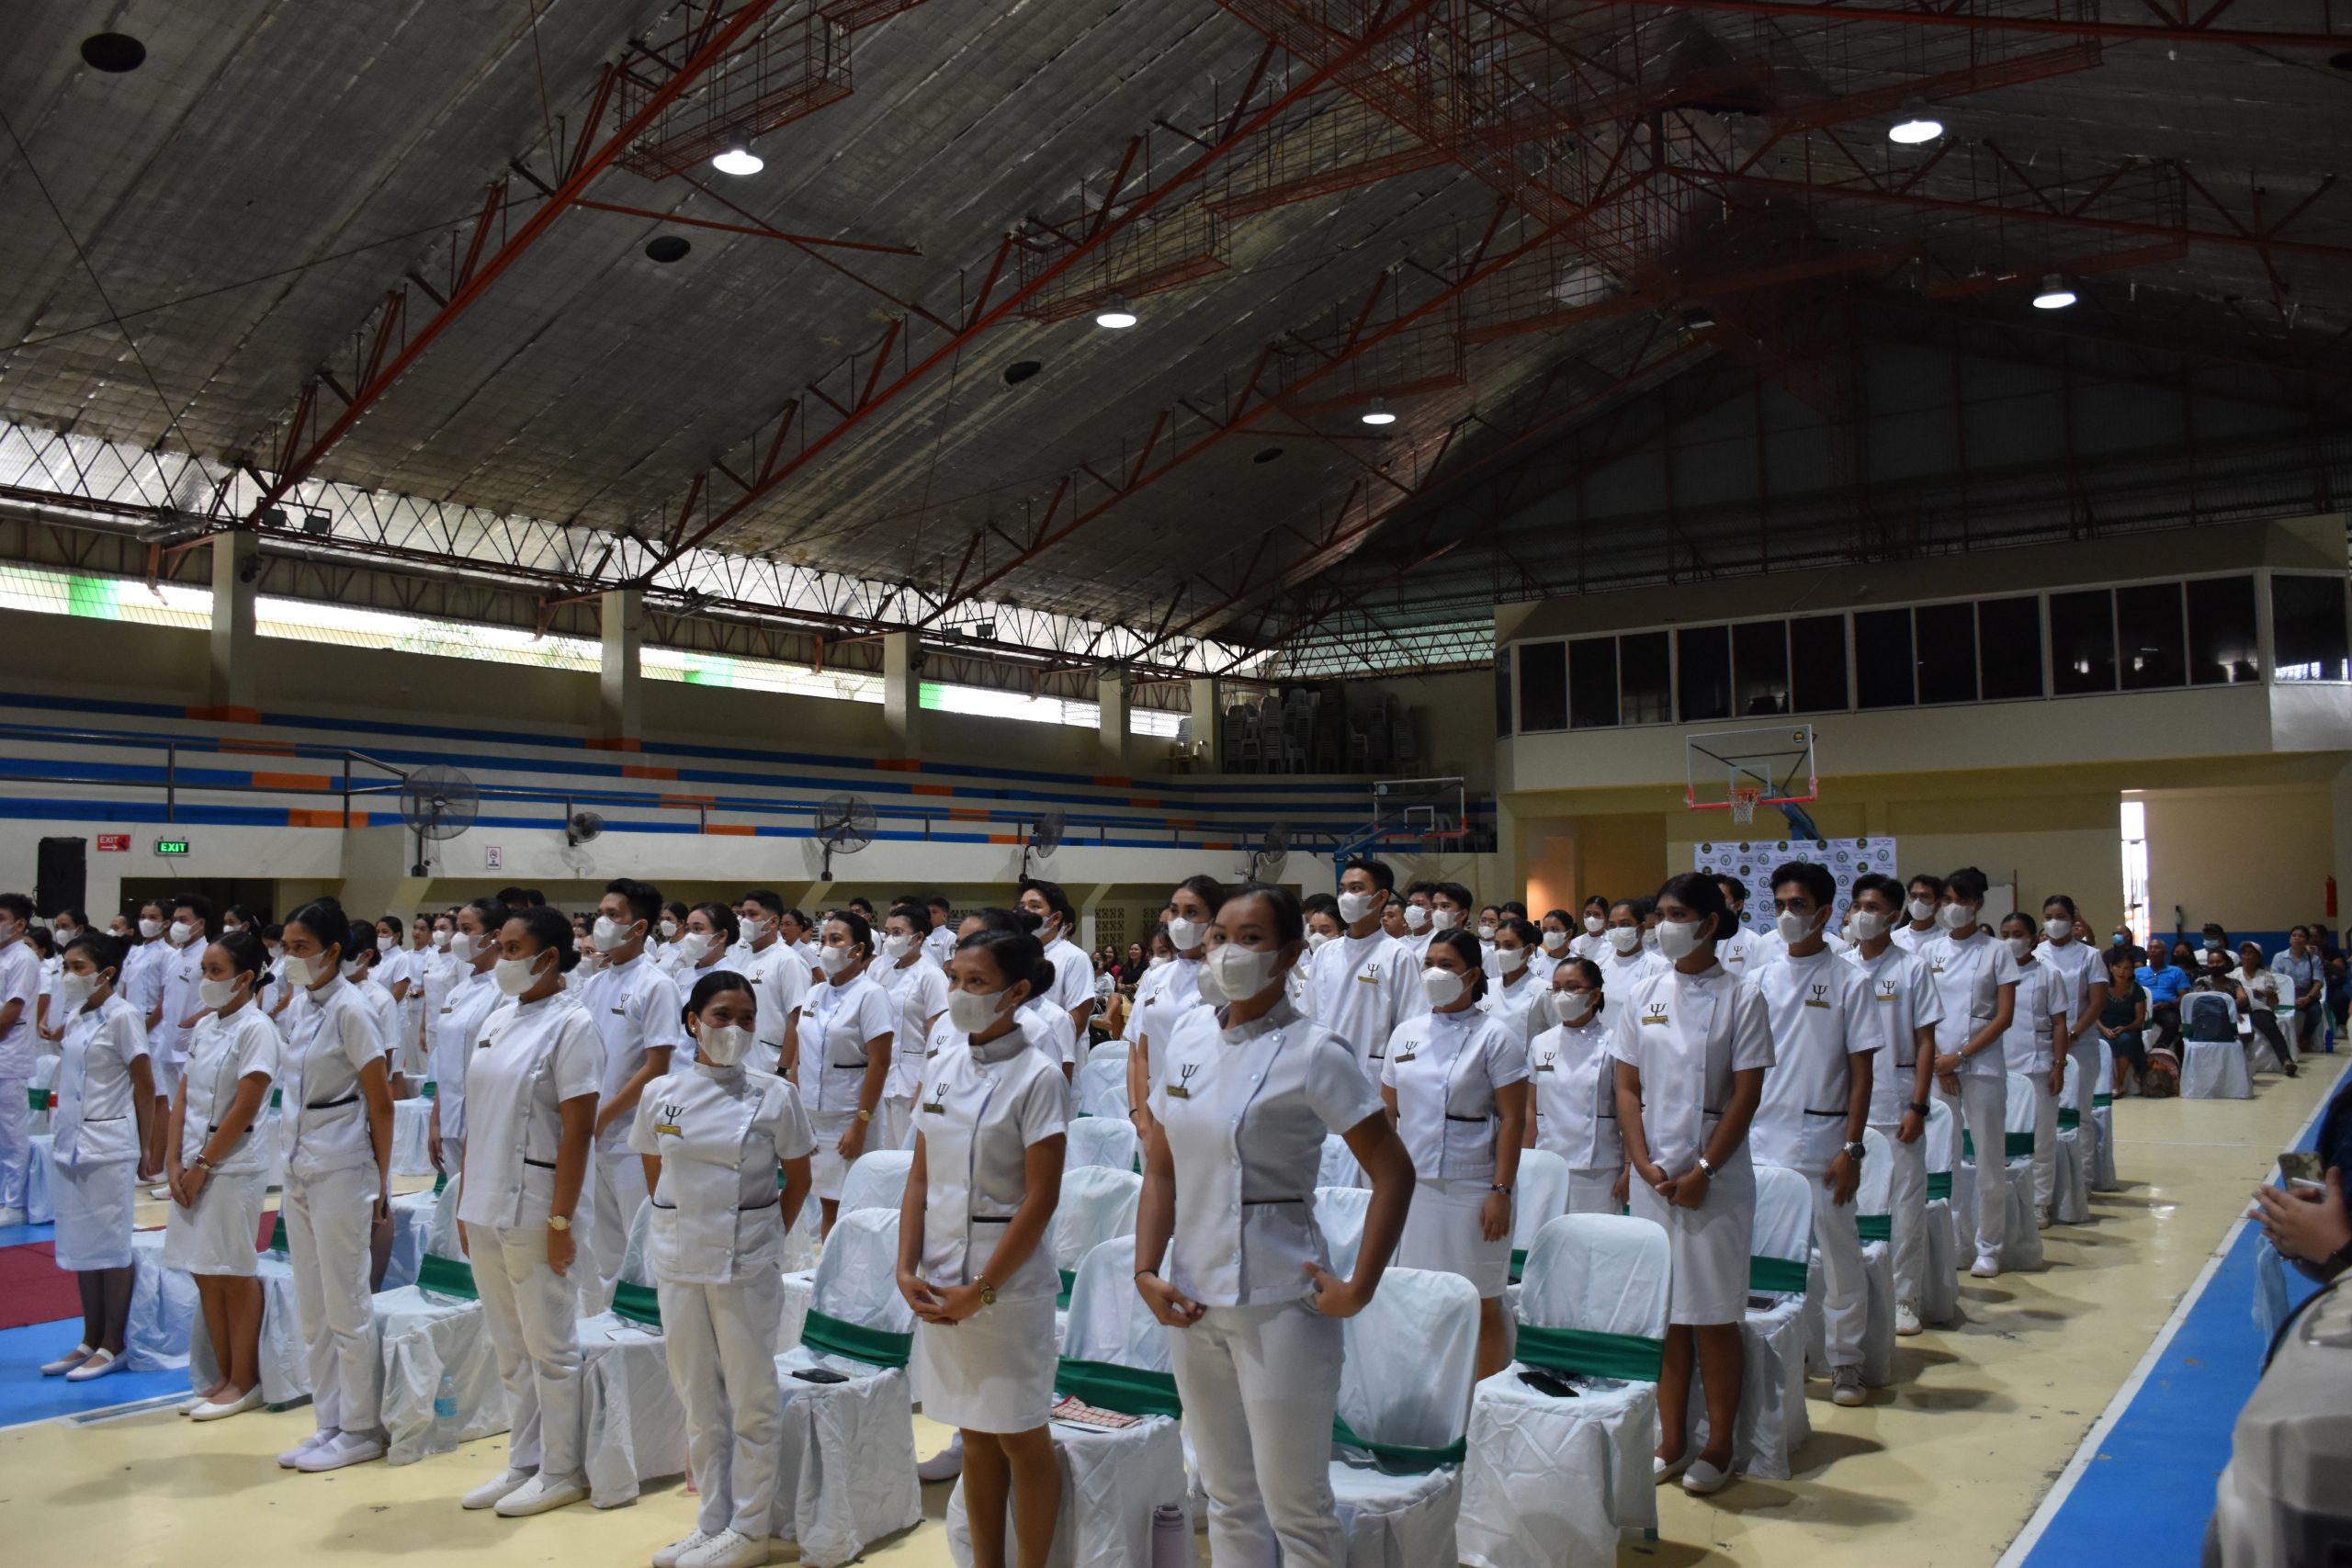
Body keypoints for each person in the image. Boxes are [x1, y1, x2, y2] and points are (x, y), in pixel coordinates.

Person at [1136, 882, 1414, 1566]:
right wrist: (1145, 1269)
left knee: (1297, 1507)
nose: (1228, 951)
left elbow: (1393, 1172)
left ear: (1290, 954)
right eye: (1220, 937)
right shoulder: (1191, 1034)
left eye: (1251, 938)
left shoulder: (1315, 1050)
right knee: (1227, 1497)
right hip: (1192, 1297)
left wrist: (1360, 1286)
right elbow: (1162, 1168)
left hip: (1282, 1299)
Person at [634, 971, 816, 1568]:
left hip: (745, 1263)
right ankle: (712, 1519)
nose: (734, 1028)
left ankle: (751, 1527)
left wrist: (761, 1237)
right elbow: (654, 1167)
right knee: (697, 1396)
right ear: (693, 1022)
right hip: (679, 1258)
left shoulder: (775, 1094)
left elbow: (799, 1179)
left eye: (746, 1018)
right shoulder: (661, 1092)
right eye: (721, 1016)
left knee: (750, 1396)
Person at [899, 927, 1069, 1568]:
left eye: (977, 982)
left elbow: (1041, 1198)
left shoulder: (1039, 1076)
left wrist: (985, 1289)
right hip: (941, 1277)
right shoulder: (942, 1065)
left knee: (1022, 1437)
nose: (959, 993)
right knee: (973, 1436)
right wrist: (905, 1267)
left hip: (1007, 1287)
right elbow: (920, 1178)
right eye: (955, 979)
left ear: (1017, 991)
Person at [1611, 873, 1772, 1496]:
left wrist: (1705, 1170)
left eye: (1678, 915)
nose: (1663, 926)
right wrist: (1640, 1160)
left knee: (1712, 1315)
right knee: (1667, 1316)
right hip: (1653, 1172)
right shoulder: (1644, 992)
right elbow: (1627, 1086)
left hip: (1715, 1178)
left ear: (1709, 923)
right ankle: (1671, 1438)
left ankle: (1720, 1443)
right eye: (1660, 915)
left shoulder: (1742, 995)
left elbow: (1746, 1094)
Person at [456, 906, 601, 1518]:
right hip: (485, 1198)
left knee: (550, 1345)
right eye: (501, 945)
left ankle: (562, 1469)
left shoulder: (574, 1024)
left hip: (538, 1201)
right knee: (509, 1345)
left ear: (549, 957)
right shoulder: (497, 1017)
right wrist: (464, 1200)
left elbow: (579, 1130)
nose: (501, 957)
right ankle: (524, 1460)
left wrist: (561, 1221)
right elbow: (477, 1113)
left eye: (514, 949)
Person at [274, 897, 396, 1472]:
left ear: (333, 952)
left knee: (347, 1301)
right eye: (286, 947)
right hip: (298, 1165)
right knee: (313, 1303)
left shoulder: (354, 1009)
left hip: (343, 1168)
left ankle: (362, 1426)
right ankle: (329, 1420)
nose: (290, 957)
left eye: (301, 948)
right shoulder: (299, 1007)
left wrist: (383, 1181)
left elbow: (381, 1101)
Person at [1748, 861, 1876, 1405]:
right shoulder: (1760, 978)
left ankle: (1846, 1359)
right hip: (1761, 1138)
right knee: (1772, 1256)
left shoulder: (1851, 980)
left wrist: (1852, 1147)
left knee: (1839, 1253)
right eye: (1779, 905)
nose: (1786, 915)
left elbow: (1862, 1071)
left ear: (1824, 912)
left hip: (1825, 1140)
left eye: (1797, 905)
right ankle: (1788, 1350)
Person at [1383, 926, 1527, 1379]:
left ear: (1472, 975)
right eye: (1429, 964)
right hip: (1414, 1187)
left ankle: (1482, 1400)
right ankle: (1429, 1395)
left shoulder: (1496, 1037)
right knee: (1419, 1296)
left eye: (1446, 965)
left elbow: (1513, 1121)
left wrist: (1500, 1190)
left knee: (1478, 1298)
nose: (1434, 973)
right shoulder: (1405, 1034)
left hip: (1474, 1186)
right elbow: (1388, 1114)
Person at [164, 928, 278, 1419]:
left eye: (217, 971)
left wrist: (203, 1164)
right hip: (192, 1161)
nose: (206, 980)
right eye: (204, 971)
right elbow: (184, 1095)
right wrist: (173, 1161)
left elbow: (245, 1107)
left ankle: (244, 1380)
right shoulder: (207, 1026)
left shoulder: (257, 1029)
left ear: (245, 978)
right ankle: (222, 1374)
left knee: (232, 1271)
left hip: (232, 1166)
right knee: (203, 1270)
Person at [40, 931, 155, 1383]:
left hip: (109, 1146)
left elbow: (145, 1084)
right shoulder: (76, 1016)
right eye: (66, 967)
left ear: (106, 973)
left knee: (110, 1246)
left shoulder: (124, 1016)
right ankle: (89, 1338)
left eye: (79, 968)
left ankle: (114, 1342)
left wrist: (149, 1147)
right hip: (71, 1143)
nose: (69, 975)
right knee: (81, 1246)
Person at [577, 879, 686, 1314]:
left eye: (613, 915)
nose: (601, 922)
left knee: (641, 1236)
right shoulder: (593, 984)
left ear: (639, 927)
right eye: (600, 913)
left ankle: (654, 1324)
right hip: (592, 1131)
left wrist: (604, 1115)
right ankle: (608, 1321)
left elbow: (656, 1066)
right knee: (602, 1241)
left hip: (632, 1136)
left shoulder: (657, 985)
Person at [1841, 873, 1941, 1336]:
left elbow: (1926, 1042)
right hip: (1848, 1109)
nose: (1863, 915)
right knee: (1851, 1205)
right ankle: (1853, 1294)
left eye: (1874, 908)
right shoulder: (1840, 968)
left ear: (1894, 916)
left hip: (1897, 1103)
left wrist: (1918, 1106)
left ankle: (1905, 1296)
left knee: (1905, 1204)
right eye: (1858, 906)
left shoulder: (1912, 968)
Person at [1924, 869, 2019, 1279]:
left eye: (1961, 900)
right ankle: (1956, 1241)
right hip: (1938, 1066)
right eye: (1946, 900)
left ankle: (1990, 1246)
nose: (1952, 908)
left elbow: (2004, 1016)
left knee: (1988, 1159)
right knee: (1945, 1160)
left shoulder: (1997, 952)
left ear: (1978, 904)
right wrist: (1940, 1062)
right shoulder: (1930, 951)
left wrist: (1960, 1057)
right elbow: (1923, 1013)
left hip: (1982, 1066)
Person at [800, 910, 896, 1237]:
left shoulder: (871, 995)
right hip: (813, 1118)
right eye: (824, 939)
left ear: (858, 949)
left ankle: (854, 1267)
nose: (826, 947)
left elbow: (880, 1062)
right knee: (826, 1204)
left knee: (852, 1207)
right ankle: (828, 1265)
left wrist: (860, 1124)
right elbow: (803, 1054)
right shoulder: (815, 994)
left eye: (836, 940)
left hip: (850, 1117)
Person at [1306, 858, 1423, 1082]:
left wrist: (1400, 1082)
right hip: (1322, 1073)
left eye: (1356, 888)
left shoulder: (1398, 956)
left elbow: (1410, 1027)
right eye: (1343, 889)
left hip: (1372, 1077)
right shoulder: (1325, 953)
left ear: (1381, 897)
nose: (1346, 897)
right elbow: (1308, 1015)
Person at [1525, 957, 1623, 1213]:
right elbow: (1531, 1107)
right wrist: (1525, 1157)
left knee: (1594, 1234)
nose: (1562, 995)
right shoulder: (1541, 1043)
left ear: (1594, 995)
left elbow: (1629, 1108)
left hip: (1599, 1167)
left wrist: (1630, 1166)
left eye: (1572, 987)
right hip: (1547, 1161)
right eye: (1556, 988)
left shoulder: (1615, 1043)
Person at [1126, 878, 1220, 1122]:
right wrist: (1141, 1116)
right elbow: (1143, 1054)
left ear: (1214, 919)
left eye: (1191, 912)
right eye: (1175, 911)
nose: (1180, 921)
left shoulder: (1222, 977)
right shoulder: (1158, 976)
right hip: (1156, 1106)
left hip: (1204, 1110)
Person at [2035, 896, 2114, 1183]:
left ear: (2073, 920)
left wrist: (2073, 1033)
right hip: (2045, 1042)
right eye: (2048, 917)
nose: (2053, 922)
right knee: (2046, 1116)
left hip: (2080, 1042)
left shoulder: (2089, 955)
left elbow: (2097, 1002)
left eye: (2060, 917)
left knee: (2078, 1113)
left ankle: (2083, 1181)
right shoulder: (2036, 953)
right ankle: (2051, 1182)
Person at [429, 897, 508, 1181]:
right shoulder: (457, 991)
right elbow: (447, 1060)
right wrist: (436, 1120)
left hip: (488, 1118)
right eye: (458, 929)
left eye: (466, 929)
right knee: (456, 1198)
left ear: (494, 936)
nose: (458, 938)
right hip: (451, 1117)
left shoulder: (506, 991)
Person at [1998, 912, 2066, 1233]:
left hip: (2037, 1066)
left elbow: (2059, 1024)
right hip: (1998, 1066)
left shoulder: (2048, 974)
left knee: (2041, 1139)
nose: (2011, 940)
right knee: (2000, 1139)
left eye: (2018, 934)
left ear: (2033, 938)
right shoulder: (1993, 972)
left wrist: (2059, 1065)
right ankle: (2003, 1201)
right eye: (2005, 934)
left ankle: (2040, 1202)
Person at [876, 902, 951, 1148]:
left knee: (906, 1154)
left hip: (913, 1078)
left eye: (897, 933)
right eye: (887, 932)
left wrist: (925, 1085)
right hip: (882, 1076)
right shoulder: (882, 972)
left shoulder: (931, 975)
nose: (890, 939)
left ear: (918, 937)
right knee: (883, 1153)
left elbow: (939, 1035)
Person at [731, 891, 809, 1081]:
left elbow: (798, 1018)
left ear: (773, 922)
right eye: (743, 914)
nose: (745, 920)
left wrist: (784, 1069)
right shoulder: (741, 957)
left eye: (752, 914)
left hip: (770, 1064)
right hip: (739, 1060)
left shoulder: (788, 960)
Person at [0, 894, 40, 1229]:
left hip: (9, 1057)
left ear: (19, 924)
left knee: (11, 1133)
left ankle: (14, 1203)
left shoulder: (23, 958)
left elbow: (13, 1009)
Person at [1017, 876, 1095, 1041]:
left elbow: (1077, 1023)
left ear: (1055, 918)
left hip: (1055, 1050)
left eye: (1034, 906)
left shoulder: (1074, 958)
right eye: (1022, 906)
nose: (1025, 912)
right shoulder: (1018, 954)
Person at [1480, 916, 1546, 1050]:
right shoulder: (1487, 987)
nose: (1501, 952)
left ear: (1529, 950)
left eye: (1509, 946)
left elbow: (1557, 1036)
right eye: (1497, 945)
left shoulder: (1544, 991)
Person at [2234, 942, 2295, 1077]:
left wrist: (2266, 993)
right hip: (2240, 1010)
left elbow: (2275, 1000)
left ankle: (2286, 1061)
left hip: (2259, 1008)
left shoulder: (2266, 975)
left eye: (2250, 953)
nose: (2247, 956)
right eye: (2244, 953)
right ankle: (2242, 1065)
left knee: (2270, 1027)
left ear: (2258, 958)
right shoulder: (2233, 974)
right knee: (2243, 1030)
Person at [2097, 950, 2149, 1097]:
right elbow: (2094, 1015)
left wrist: (2126, 1028)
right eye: (2118, 967)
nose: (2122, 972)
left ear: (2132, 971)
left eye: (2126, 968)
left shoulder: (2137, 990)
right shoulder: (2102, 987)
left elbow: (2139, 1019)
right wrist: (2104, 1029)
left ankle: (2118, 1084)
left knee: (2125, 1040)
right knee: (2103, 1043)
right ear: (2111, 967)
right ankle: (2111, 1083)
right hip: (2103, 1027)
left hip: (2128, 1028)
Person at [2273, 925, 2324, 1070]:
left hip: (2307, 994)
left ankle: (2304, 1039)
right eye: (2294, 935)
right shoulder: (2279, 957)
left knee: (2315, 1012)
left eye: (2301, 936)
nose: (2297, 938)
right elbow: (2276, 981)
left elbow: (2318, 982)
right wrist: (2289, 998)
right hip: (2285, 995)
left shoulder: (2313, 959)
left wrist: (2308, 998)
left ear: (2307, 940)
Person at [2139, 937, 2190, 1055]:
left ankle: (2157, 1051)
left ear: (2165, 952)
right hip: (2142, 1007)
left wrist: (2168, 1004)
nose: (2152, 950)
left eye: (2156, 948)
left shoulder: (2176, 971)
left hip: (2166, 1008)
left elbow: (2184, 996)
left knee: (2173, 1022)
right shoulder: (2138, 972)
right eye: (2150, 948)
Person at [1600, 897, 1666, 987]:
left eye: (1625, 924)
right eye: (1612, 925)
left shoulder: (1658, 966)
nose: (1617, 930)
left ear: (1641, 928)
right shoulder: (1599, 964)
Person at [1891, 874, 1945, 954]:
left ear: (1938, 903)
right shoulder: (1894, 938)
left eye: (1925, 896)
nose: (1917, 902)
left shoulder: (1946, 938)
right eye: (1913, 896)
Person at [1570, 895, 1612, 963]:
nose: (1591, 919)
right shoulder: (1575, 943)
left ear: (1605, 917)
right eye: (1587, 913)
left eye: (1597, 914)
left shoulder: (1613, 941)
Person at [923, 895, 958, 969]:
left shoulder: (950, 936)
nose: (930, 915)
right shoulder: (920, 935)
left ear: (944, 916)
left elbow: (949, 964)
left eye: (934, 912)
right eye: (928, 912)